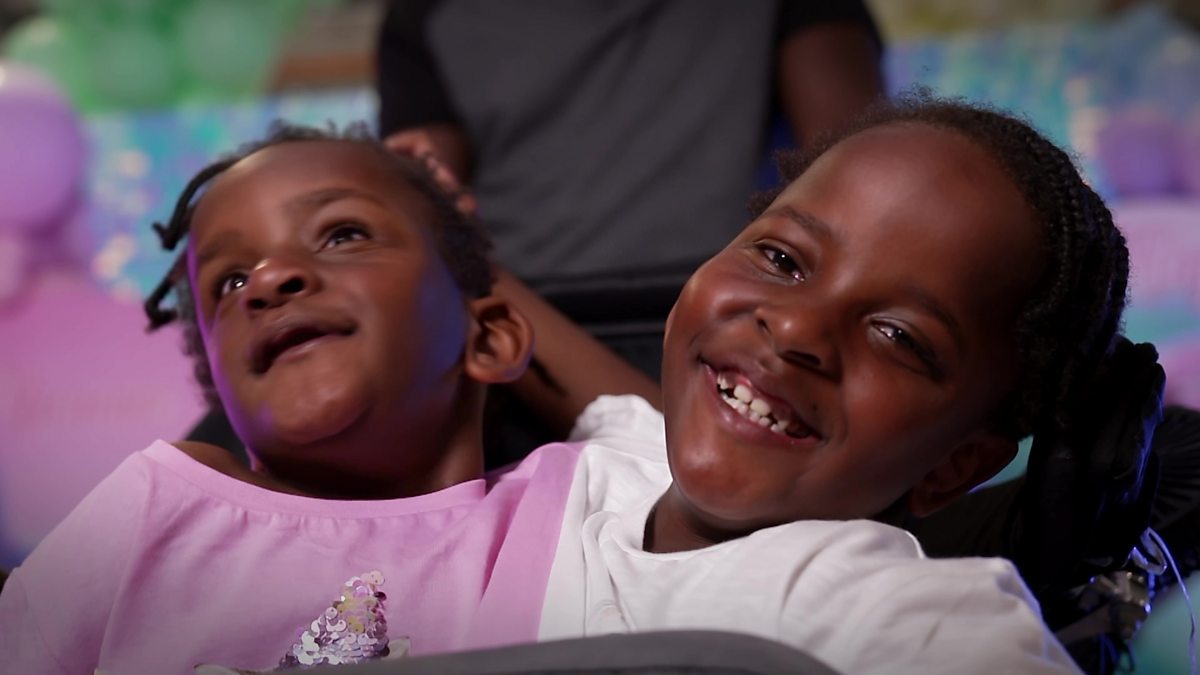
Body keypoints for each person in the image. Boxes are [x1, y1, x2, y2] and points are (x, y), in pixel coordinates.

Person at [484, 92, 1139, 673]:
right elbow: (552, 347)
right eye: (781, 258)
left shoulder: (883, 604)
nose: (797, 329)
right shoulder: (630, 449)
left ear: (956, 462)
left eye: (899, 336)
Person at [0, 123, 656, 674]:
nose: (268, 280)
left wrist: (462, 240)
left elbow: (670, 441)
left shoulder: (573, 499)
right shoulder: (152, 510)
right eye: (229, 280)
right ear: (222, 390)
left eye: (342, 234)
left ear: (488, 336)